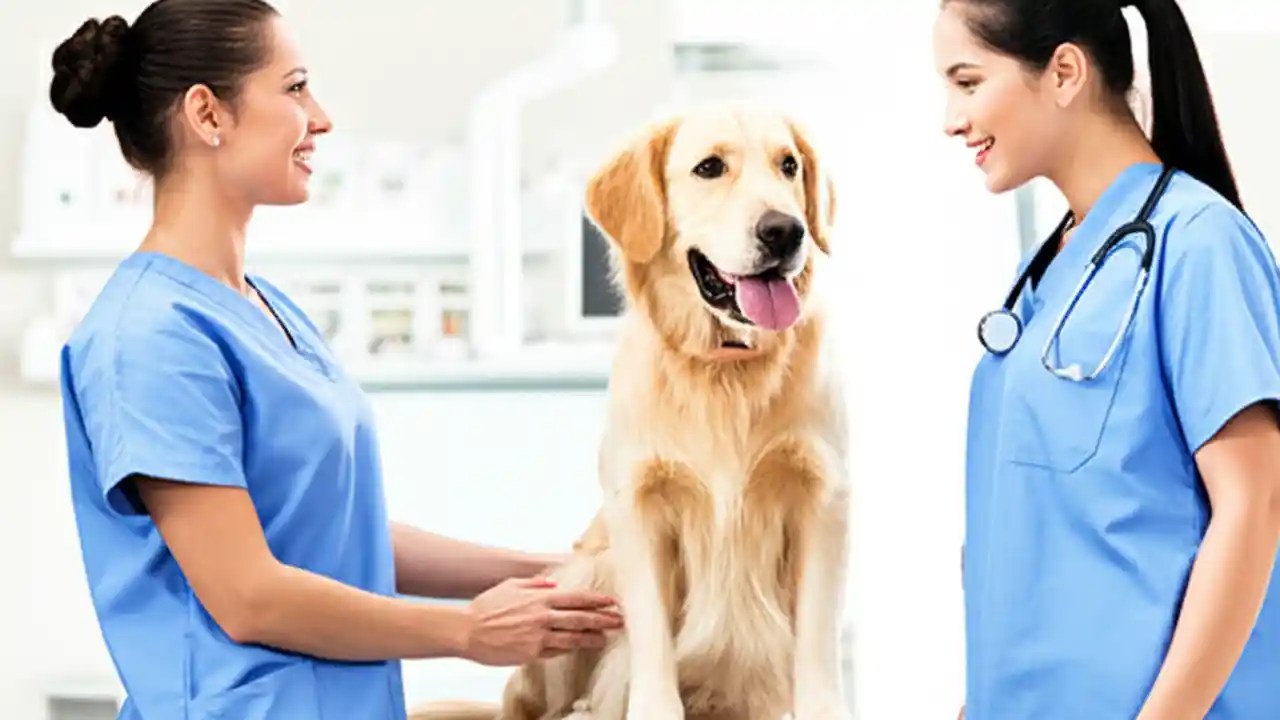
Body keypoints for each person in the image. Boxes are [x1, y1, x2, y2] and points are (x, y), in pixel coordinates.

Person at [50, 1, 622, 718]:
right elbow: (248, 596)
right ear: (207, 114)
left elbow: (335, 533)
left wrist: (558, 574)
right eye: (294, 88)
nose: (319, 117)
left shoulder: (266, 307)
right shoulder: (149, 336)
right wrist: (467, 632)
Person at [933, 0, 1280, 718]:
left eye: (967, 83)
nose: (952, 118)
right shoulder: (1050, 269)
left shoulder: (1200, 243)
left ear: (1064, 72)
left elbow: (1256, 504)